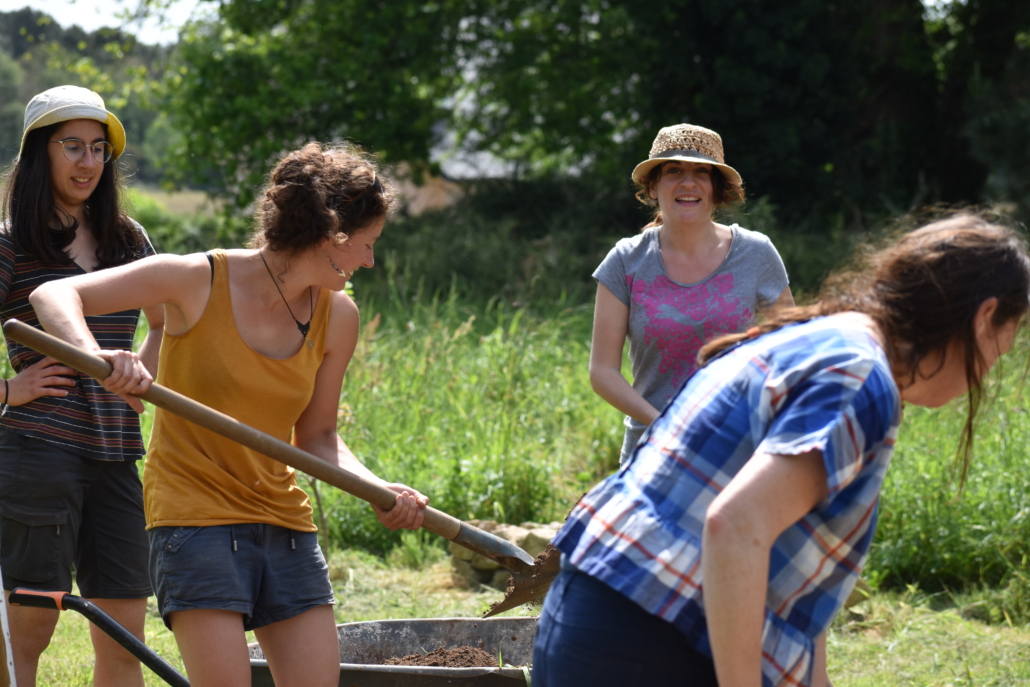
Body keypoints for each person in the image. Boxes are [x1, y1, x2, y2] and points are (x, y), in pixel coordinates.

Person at [533, 214, 1030, 687]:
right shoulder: (860, 379)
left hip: (604, 614)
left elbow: (787, 573)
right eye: (1000, 352)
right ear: (985, 317)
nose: (988, 372)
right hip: (642, 639)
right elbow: (735, 526)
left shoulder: (831, 339)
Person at [29, 142, 430, 687]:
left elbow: (318, 436)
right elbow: (54, 296)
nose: (369, 261)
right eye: (366, 244)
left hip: (285, 526)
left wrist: (379, 489)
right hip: (196, 524)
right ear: (330, 235)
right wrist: (98, 359)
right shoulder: (196, 279)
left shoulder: (339, 317)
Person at [0, 85, 161, 687]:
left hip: (118, 456)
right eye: (72, 146)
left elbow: (168, 320)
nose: (88, 162)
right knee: (29, 633)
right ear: (39, 154)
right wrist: (9, 393)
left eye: (98, 149)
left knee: (124, 636)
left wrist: (140, 376)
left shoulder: (128, 240)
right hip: (37, 455)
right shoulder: (11, 242)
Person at [590, 123, 794, 465]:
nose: (688, 182)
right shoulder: (626, 260)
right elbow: (602, 372)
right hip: (650, 453)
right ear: (653, 187)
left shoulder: (757, 254)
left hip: (738, 452)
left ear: (717, 188)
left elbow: (791, 353)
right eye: (673, 171)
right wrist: (664, 426)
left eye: (702, 171)